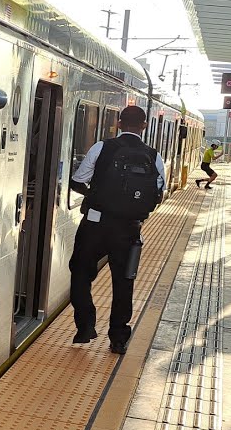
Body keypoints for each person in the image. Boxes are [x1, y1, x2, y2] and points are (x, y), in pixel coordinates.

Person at [69, 105, 166, 354]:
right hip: (129, 229)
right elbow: (158, 194)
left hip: (95, 224)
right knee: (124, 283)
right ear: (144, 126)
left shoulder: (102, 147)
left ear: (119, 123)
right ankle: (118, 338)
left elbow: (78, 180)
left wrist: (96, 195)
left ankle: (86, 326)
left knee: (80, 273)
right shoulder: (154, 156)